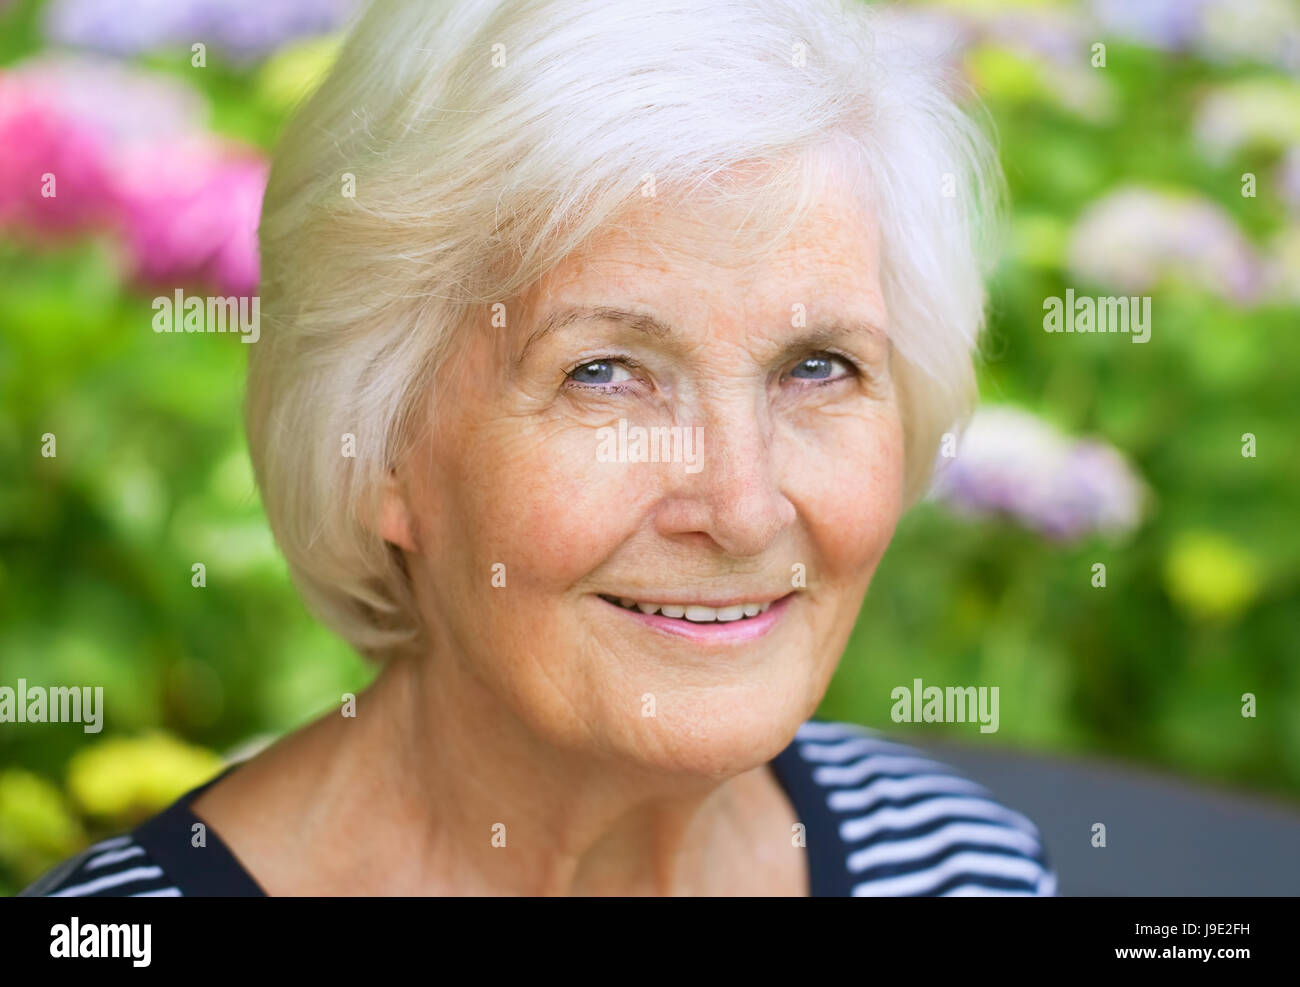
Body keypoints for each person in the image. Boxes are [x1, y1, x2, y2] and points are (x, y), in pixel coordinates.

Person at [24, 0, 1055, 897]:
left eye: (818, 367)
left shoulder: (959, 868)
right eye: (603, 373)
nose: (742, 507)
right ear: (379, 443)